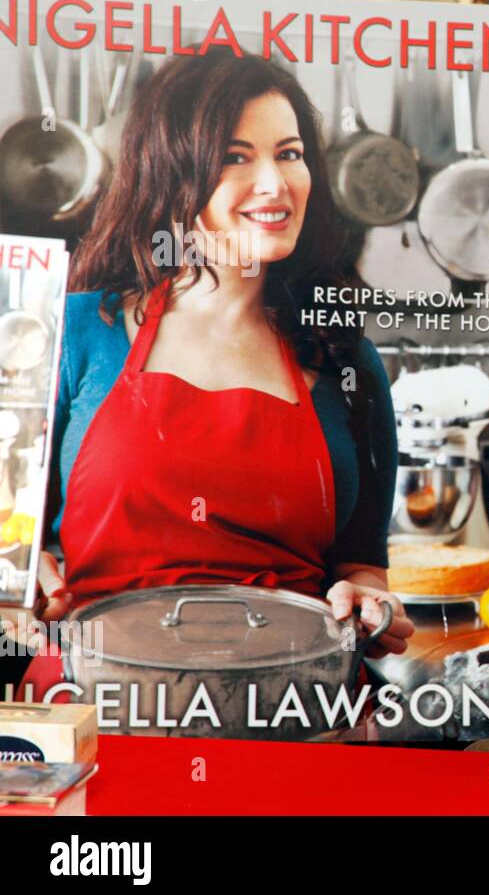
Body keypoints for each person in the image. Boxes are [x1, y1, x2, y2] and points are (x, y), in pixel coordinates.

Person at [17, 52, 414, 698]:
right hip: (95, 703)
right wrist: (23, 579)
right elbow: (15, 542)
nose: (274, 183)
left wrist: (372, 606)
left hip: (292, 710)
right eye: (236, 156)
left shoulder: (344, 358)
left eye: (289, 153)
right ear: (172, 173)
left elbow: (365, 569)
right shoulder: (71, 333)